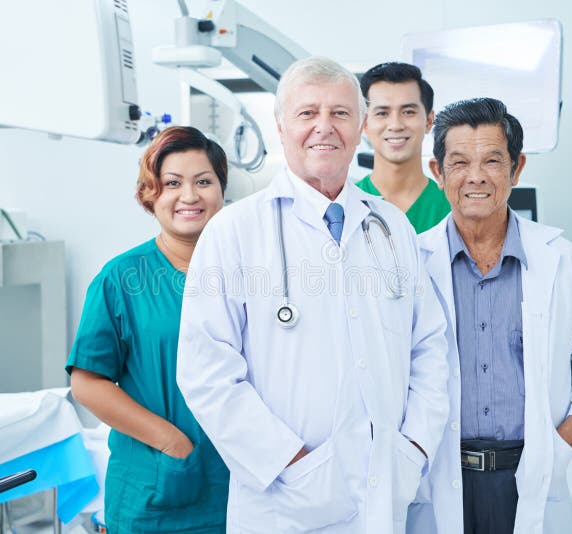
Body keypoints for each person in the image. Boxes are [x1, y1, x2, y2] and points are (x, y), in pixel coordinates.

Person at [176, 56, 450, 533]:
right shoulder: (234, 232)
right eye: (307, 113)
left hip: (384, 490)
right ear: (281, 127)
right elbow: (206, 372)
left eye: (340, 113)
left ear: (360, 125)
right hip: (284, 501)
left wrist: (415, 448)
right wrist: (291, 461)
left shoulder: (391, 227)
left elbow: (429, 347)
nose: (325, 127)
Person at [409, 97, 572, 533]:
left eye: (492, 160)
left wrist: (561, 445)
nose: (476, 177)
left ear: (516, 168)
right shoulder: (410, 264)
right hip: (437, 479)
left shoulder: (562, 262)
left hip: (529, 476)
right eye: (459, 163)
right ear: (437, 172)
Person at [66, 126, 230, 533]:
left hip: (240, 486)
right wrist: (171, 443)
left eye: (203, 181)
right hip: (155, 491)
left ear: (221, 191)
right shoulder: (121, 279)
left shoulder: (248, 273)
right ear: (150, 194)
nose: (189, 196)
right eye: (172, 183)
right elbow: (88, 383)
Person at [356, 62, 450, 233]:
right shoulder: (345, 205)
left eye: (408, 112)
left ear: (429, 121)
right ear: (364, 123)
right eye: (382, 113)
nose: (396, 125)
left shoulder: (453, 208)